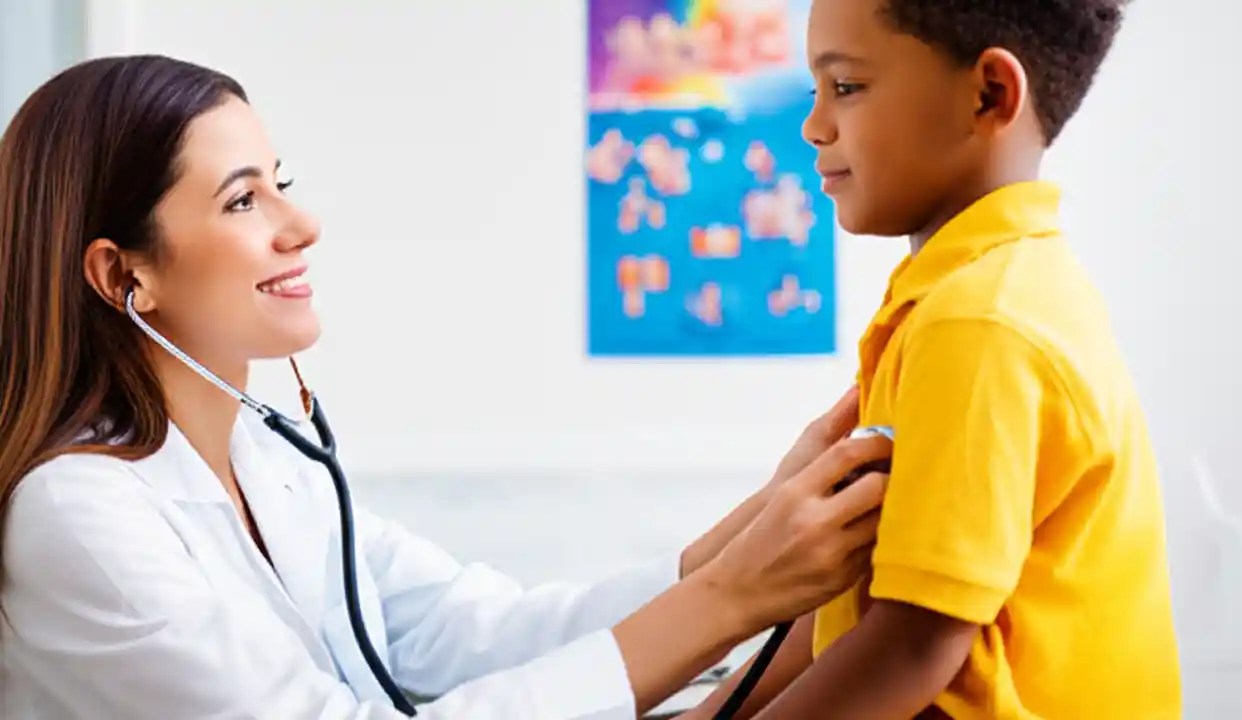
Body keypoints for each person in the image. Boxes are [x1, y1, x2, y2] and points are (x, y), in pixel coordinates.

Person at [0, 55, 892, 720]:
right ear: (124, 276)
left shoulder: (269, 461)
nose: (302, 225)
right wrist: (734, 598)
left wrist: (758, 524)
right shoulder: (78, 517)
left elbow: (488, 633)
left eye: (283, 185)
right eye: (243, 202)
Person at [681, 0, 1182, 718]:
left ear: (988, 95)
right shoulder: (969, 294)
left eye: (846, 88)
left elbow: (913, 641)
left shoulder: (980, 322)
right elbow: (839, 620)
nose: (814, 126)